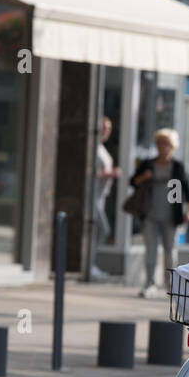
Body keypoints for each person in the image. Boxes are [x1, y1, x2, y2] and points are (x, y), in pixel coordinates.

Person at [130, 128, 189, 298]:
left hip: (170, 215)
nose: (162, 147)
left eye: (165, 144)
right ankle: (149, 283)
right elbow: (133, 182)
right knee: (150, 250)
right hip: (150, 213)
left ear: (172, 146)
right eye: (159, 143)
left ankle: (170, 285)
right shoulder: (148, 163)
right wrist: (144, 177)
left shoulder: (177, 167)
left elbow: (186, 190)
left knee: (170, 251)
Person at [89, 116, 121, 281]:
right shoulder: (92, 147)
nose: (106, 131)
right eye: (103, 128)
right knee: (103, 229)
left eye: (108, 128)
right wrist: (110, 173)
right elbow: (90, 172)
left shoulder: (101, 147)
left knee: (98, 230)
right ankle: (89, 263)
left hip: (100, 197)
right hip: (92, 198)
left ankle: (90, 263)